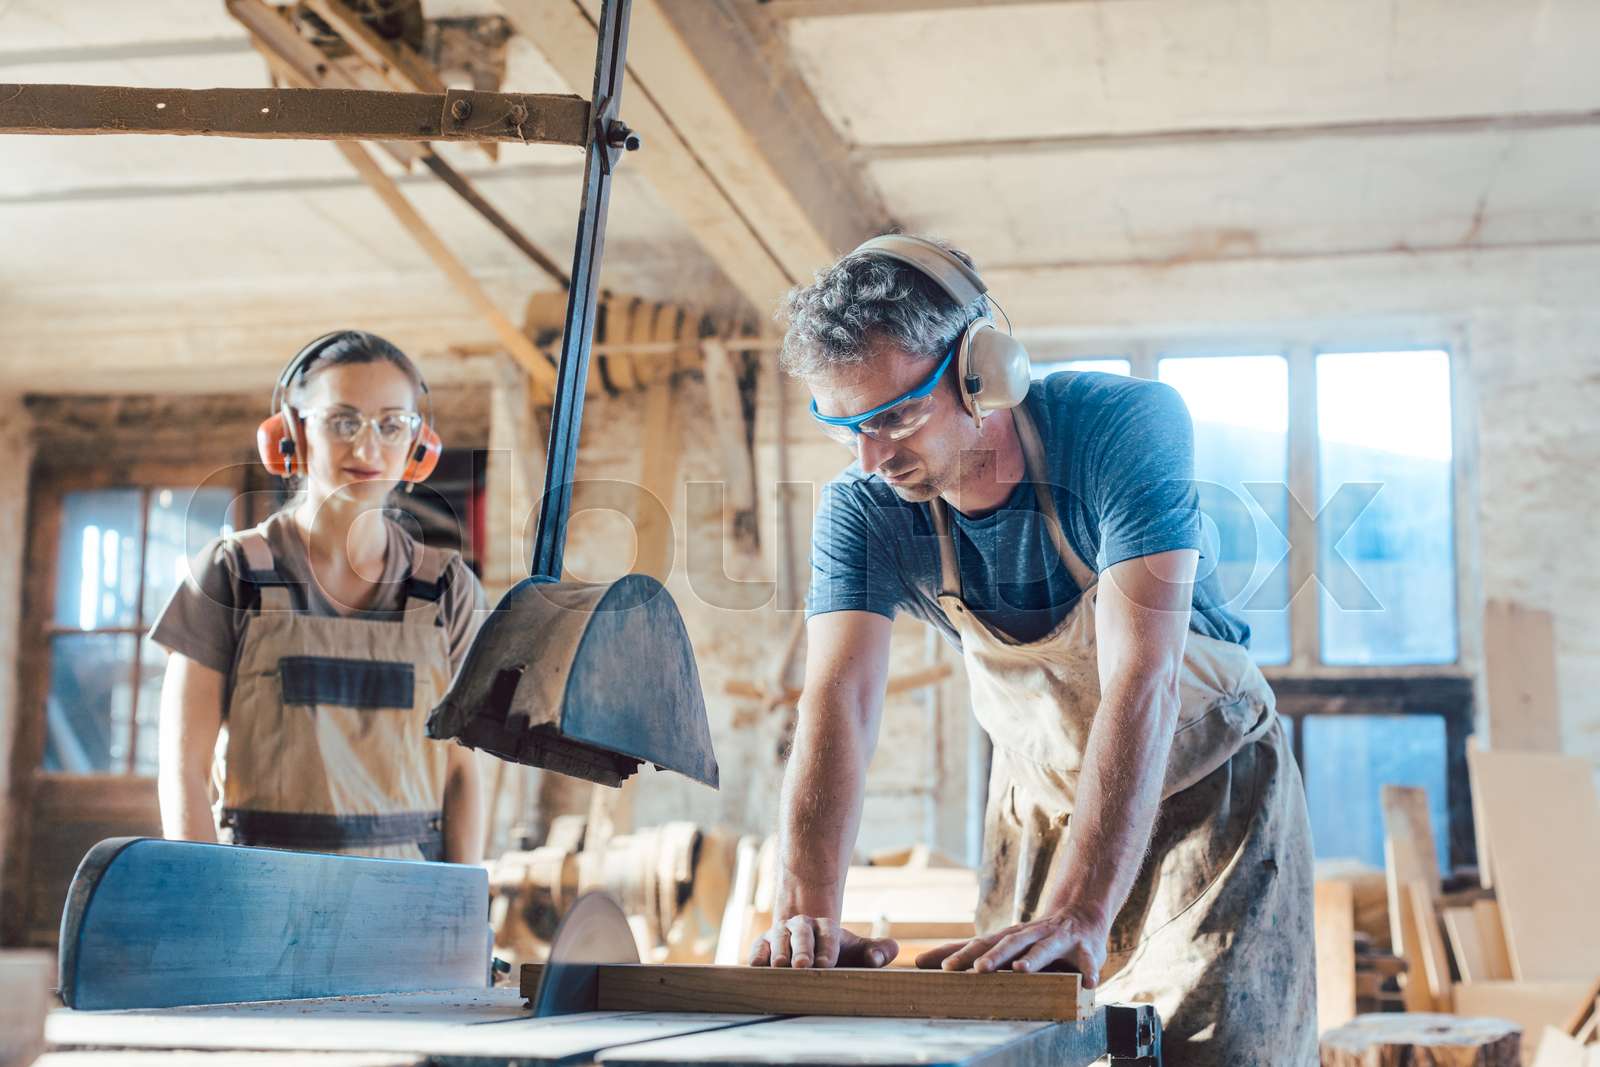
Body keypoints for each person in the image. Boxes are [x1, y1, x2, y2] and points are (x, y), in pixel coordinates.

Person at [751, 235, 1315, 1065]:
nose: (873, 458)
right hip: (1044, 798)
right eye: (846, 429)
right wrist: (806, 915)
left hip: (1207, 786)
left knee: (1215, 1051)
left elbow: (1143, 678)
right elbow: (839, 700)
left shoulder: (1122, 427)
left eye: (896, 416)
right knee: (1020, 1043)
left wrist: (1081, 912)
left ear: (984, 371)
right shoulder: (862, 506)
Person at [153, 330, 485, 863]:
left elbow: (463, 775)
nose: (367, 446)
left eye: (391, 424)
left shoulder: (449, 588)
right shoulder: (232, 574)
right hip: (260, 897)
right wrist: (206, 910)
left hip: (405, 906)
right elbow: (183, 771)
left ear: (418, 447)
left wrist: (465, 918)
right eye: (343, 421)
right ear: (291, 436)